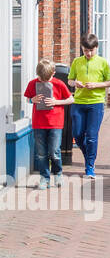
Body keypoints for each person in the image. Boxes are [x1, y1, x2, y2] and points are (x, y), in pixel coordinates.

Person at [67, 33, 110, 179]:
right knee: (77, 134)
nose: (88, 54)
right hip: (79, 102)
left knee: (92, 136)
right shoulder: (76, 62)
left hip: (96, 103)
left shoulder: (102, 62)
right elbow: (69, 80)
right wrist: (75, 83)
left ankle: (89, 166)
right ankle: (89, 156)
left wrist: (97, 85)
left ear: (96, 48)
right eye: (85, 50)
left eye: (91, 51)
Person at [24, 59, 73, 189]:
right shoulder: (32, 84)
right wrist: (31, 100)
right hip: (38, 124)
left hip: (55, 123)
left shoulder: (59, 83)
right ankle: (44, 178)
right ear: (37, 74)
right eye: (41, 78)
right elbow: (27, 98)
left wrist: (56, 102)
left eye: (47, 79)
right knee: (41, 153)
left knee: (54, 151)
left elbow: (70, 99)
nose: (44, 81)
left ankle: (58, 174)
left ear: (53, 73)